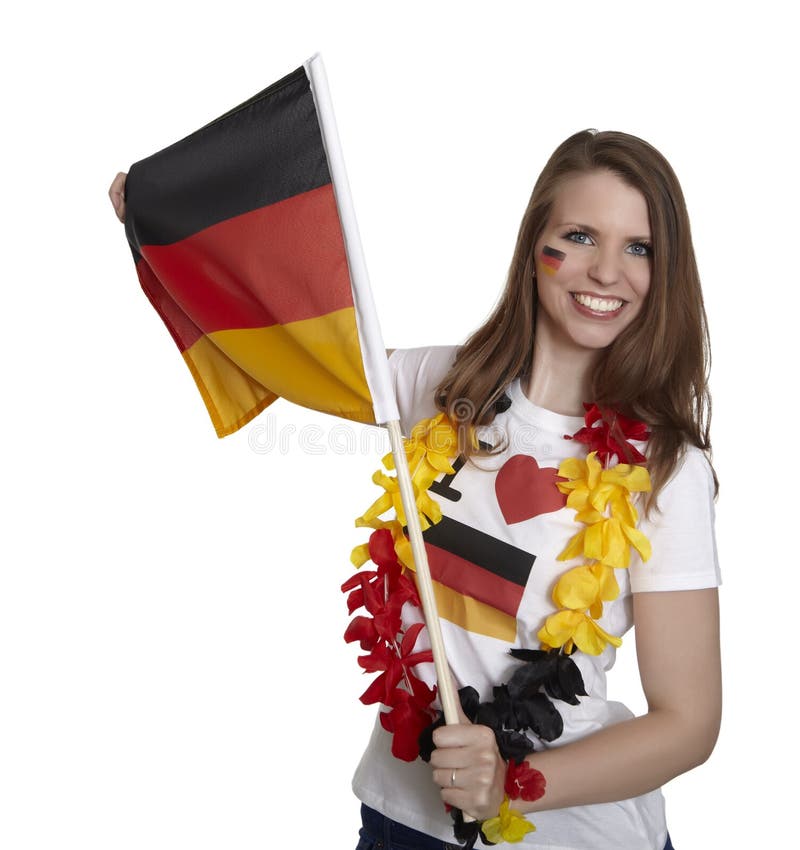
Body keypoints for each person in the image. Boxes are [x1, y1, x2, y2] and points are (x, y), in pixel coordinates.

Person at [109, 128, 721, 850]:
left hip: (570, 834)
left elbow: (688, 723)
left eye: (638, 247)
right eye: (580, 236)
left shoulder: (664, 467)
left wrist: (515, 783)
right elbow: (284, 343)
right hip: (402, 821)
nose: (606, 270)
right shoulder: (438, 386)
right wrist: (182, 231)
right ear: (535, 248)